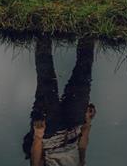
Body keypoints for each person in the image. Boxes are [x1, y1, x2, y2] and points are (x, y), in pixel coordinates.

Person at [23, 36, 96, 166]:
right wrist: (87, 123)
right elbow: (82, 150)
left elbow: (36, 162)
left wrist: (38, 136)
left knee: (47, 82)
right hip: (73, 129)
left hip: (50, 135)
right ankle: (88, 32)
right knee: (83, 79)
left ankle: (43, 31)